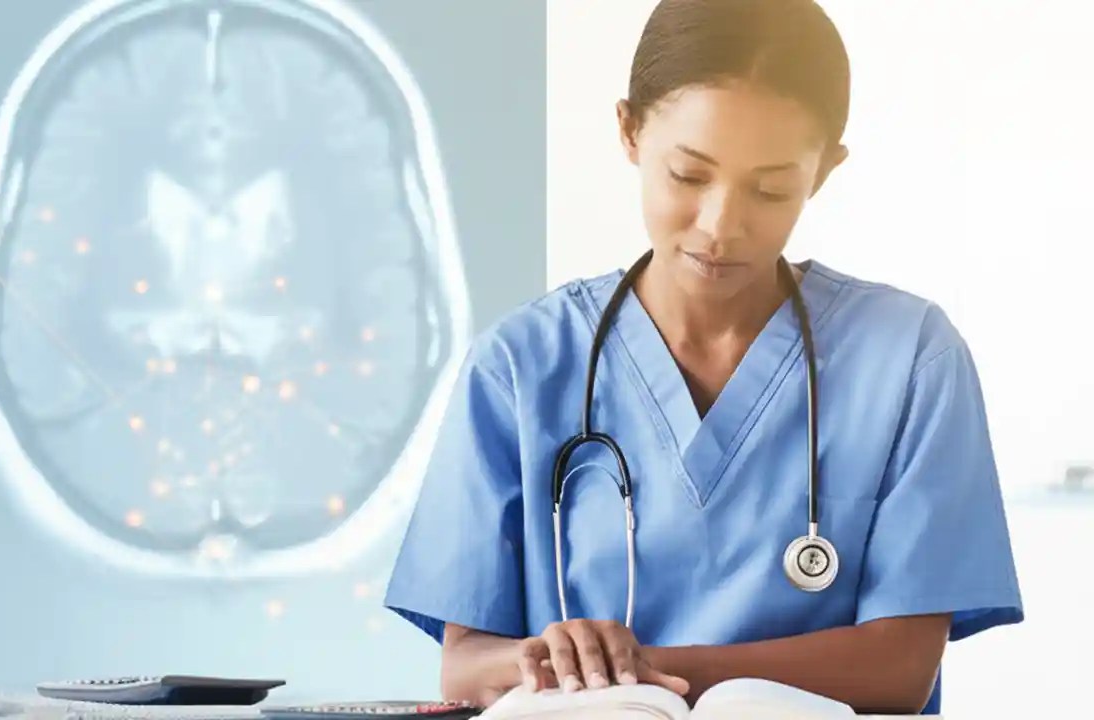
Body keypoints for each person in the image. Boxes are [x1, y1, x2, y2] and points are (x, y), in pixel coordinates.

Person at [382, 0, 1023, 715]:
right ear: (628, 131)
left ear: (823, 171)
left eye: (770, 189)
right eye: (688, 175)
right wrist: (556, 658)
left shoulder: (909, 359)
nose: (721, 225)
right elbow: (466, 669)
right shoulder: (518, 366)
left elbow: (900, 668)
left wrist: (643, 671)